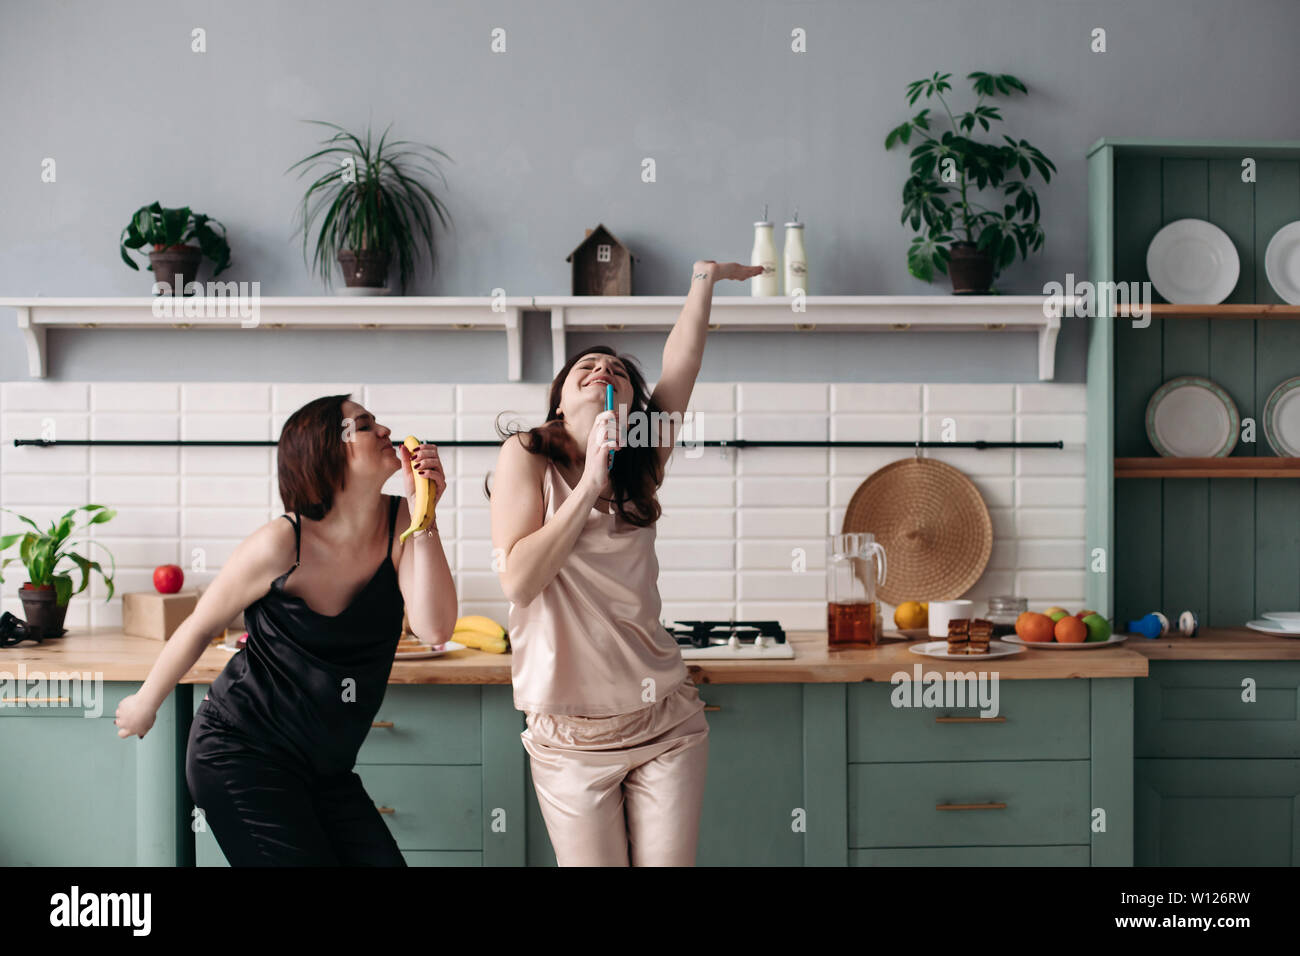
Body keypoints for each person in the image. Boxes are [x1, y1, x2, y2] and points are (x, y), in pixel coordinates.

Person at [489, 259, 763, 866]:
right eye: (584, 366)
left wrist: (704, 280)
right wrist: (588, 486)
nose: (601, 368)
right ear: (559, 401)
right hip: (568, 738)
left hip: (664, 719)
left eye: (615, 369)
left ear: (636, 408)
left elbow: (681, 366)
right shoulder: (525, 455)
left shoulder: (643, 460)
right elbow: (519, 578)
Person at [114, 395, 456, 866]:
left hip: (327, 769)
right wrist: (143, 703)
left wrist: (427, 514)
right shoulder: (282, 541)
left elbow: (434, 626)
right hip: (241, 752)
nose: (383, 431)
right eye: (363, 425)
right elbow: (199, 626)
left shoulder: (401, 520)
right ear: (325, 452)